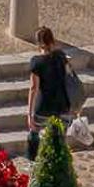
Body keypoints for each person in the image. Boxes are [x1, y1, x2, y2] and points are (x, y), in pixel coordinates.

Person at [24, 26, 72, 159]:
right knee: (60, 142)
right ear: (52, 40)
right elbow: (69, 79)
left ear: (38, 42)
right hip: (63, 106)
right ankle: (59, 165)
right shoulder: (61, 57)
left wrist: (29, 114)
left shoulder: (36, 62)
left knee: (34, 134)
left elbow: (34, 88)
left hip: (44, 107)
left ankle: (33, 163)